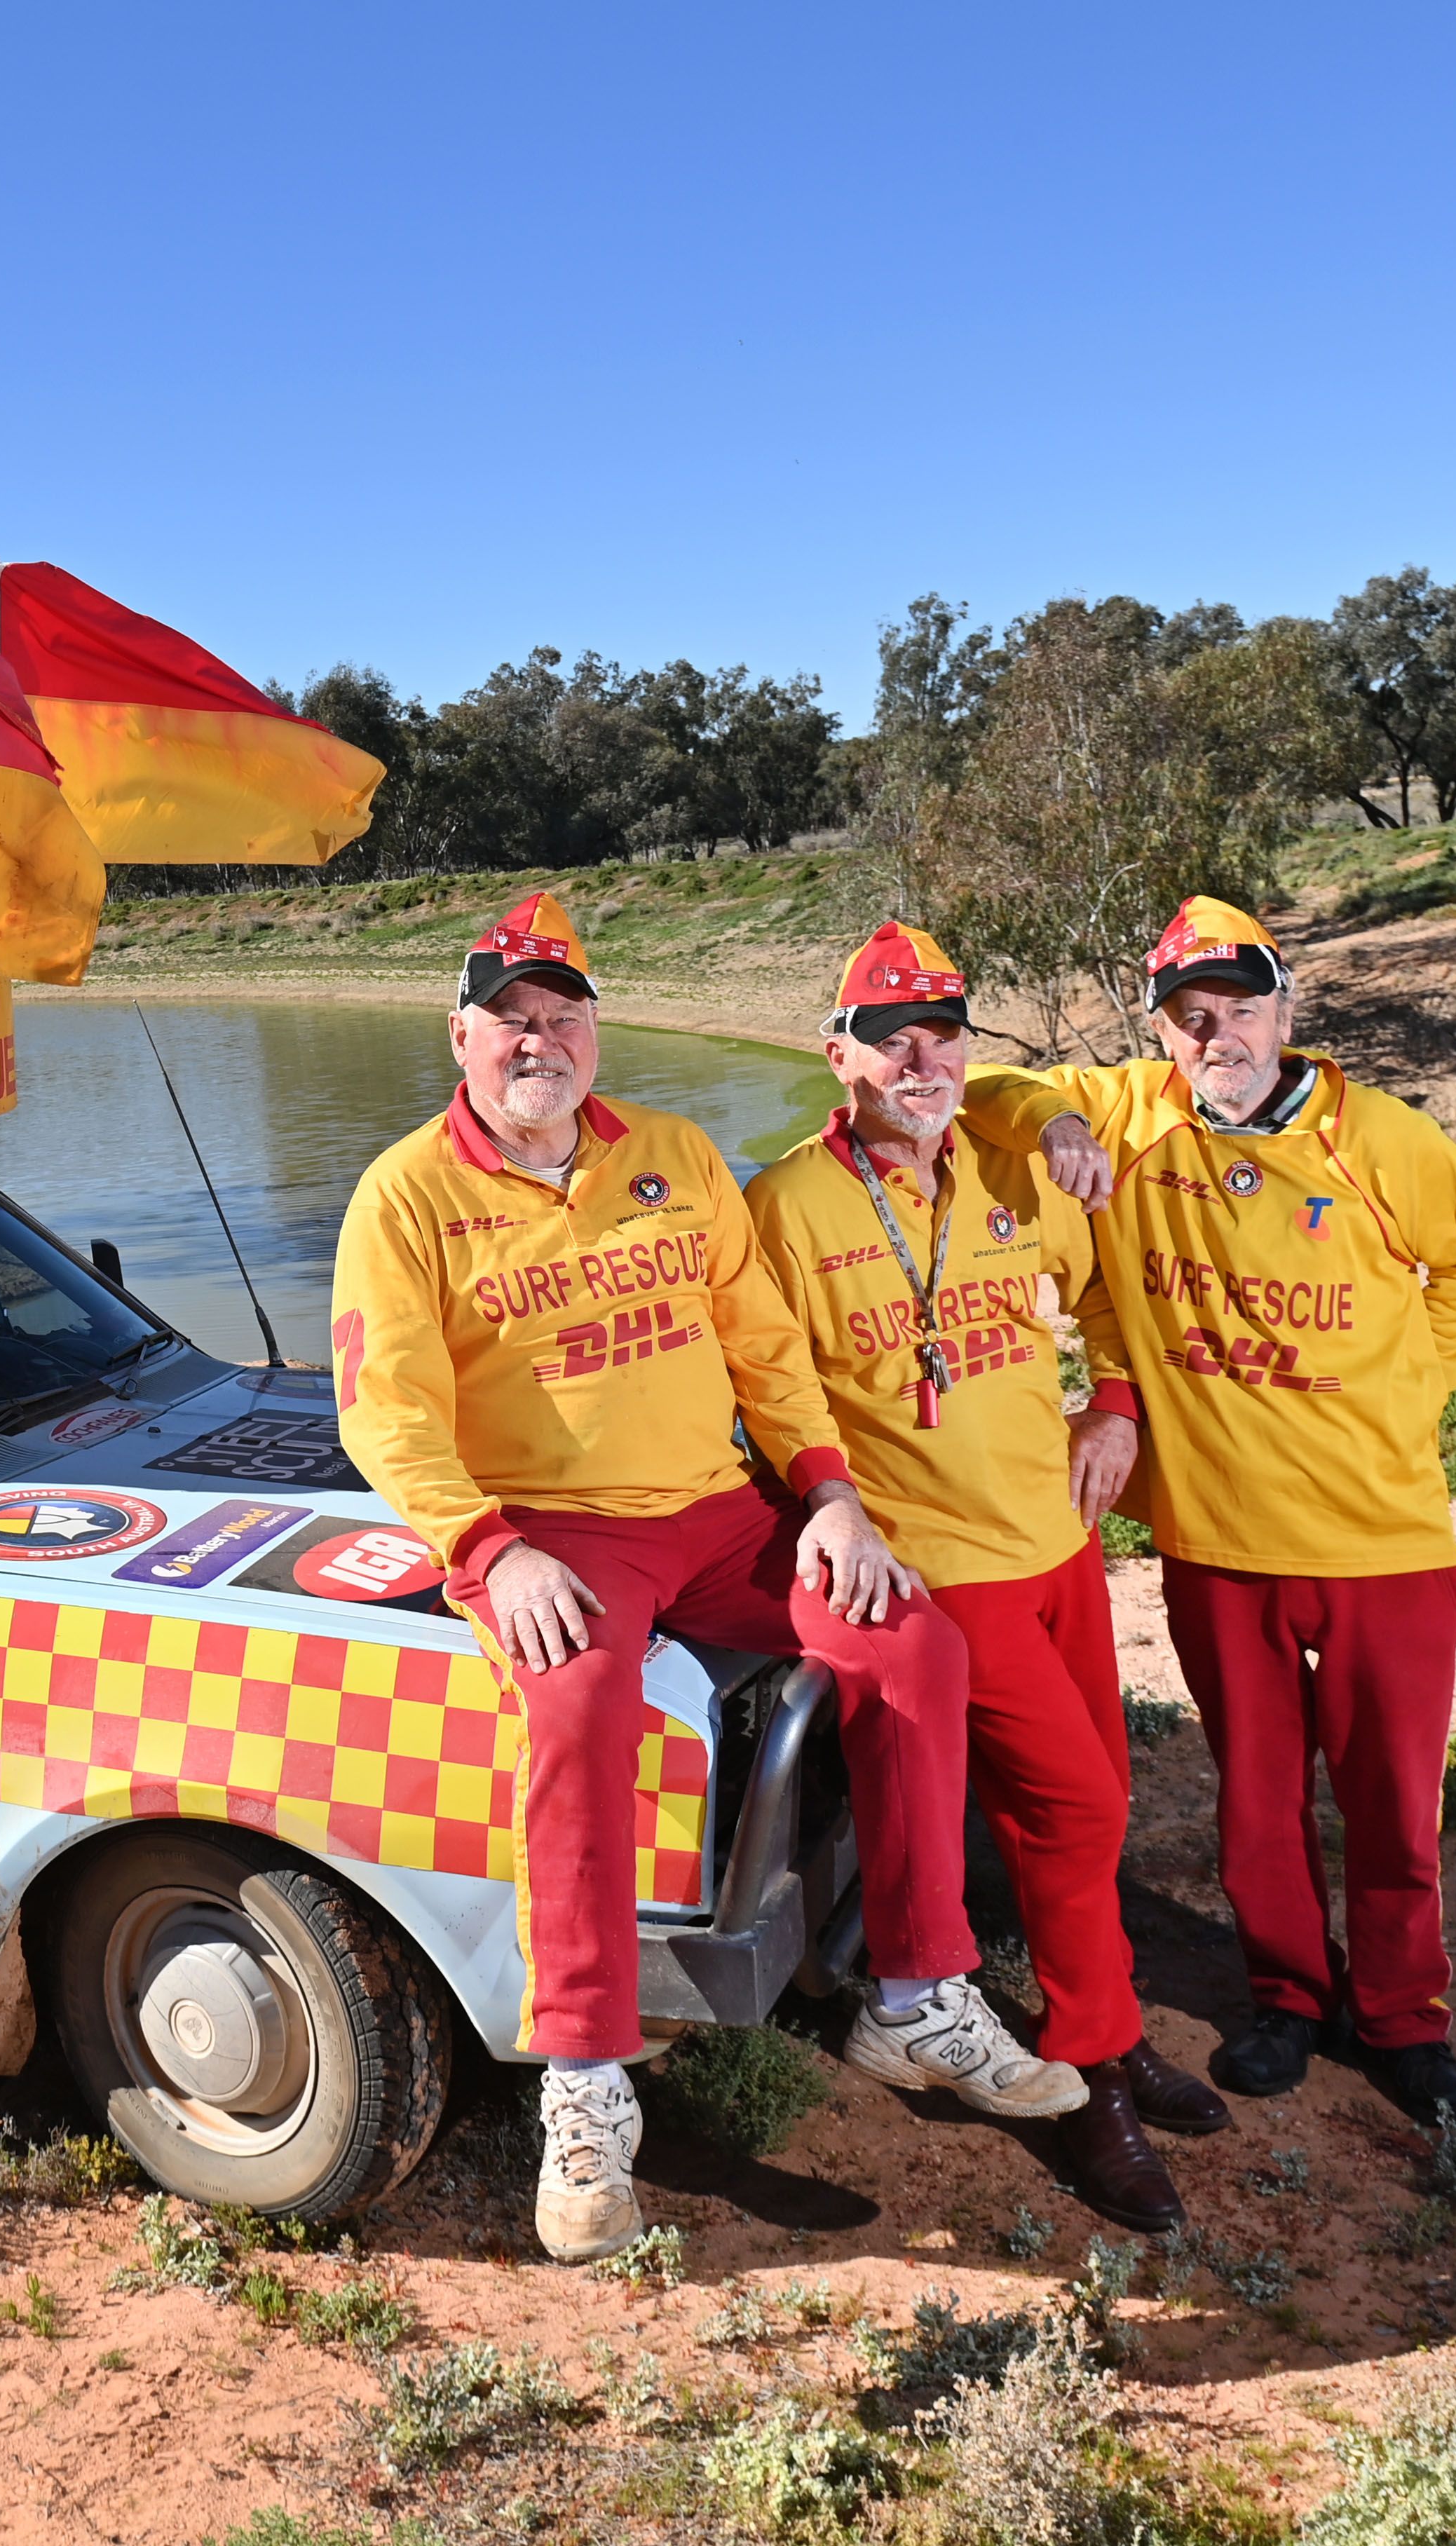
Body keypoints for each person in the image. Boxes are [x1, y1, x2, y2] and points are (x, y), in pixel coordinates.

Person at [332, 892, 1086, 2267]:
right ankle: (585, 2084)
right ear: (461, 1040)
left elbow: (765, 1352)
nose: (538, 1042)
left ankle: (919, 1990)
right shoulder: (406, 1195)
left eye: (561, 1017)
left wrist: (833, 1501)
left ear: (594, 1032)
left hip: (720, 1513)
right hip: (562, 1533)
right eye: (510, 1023)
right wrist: (491, 1548)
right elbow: (386, 1409)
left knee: (907, 1639)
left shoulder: (676, 1155)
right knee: (573, 1710)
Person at [969, 897, 1456, 2125]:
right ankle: (1285, 2000)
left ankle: (1402, 2020)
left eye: (1239, 1006)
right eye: (1188, 1014)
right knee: (1258, 1795)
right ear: (1159, 1028)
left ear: (1286, 1009)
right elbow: (984, 1091)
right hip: (1219, 1545)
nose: (1215, 1033)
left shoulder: (1379, 1138)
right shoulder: (1132, 1113)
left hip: (1383, 1541)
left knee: (1391, 1798)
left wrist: (1409, 1383)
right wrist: (1062, 1116)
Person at [740, 924, 1230, 2231]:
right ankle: (1089, 2088)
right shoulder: (788, 1204)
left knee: (1098, 1800)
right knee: (1072, 1810)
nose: (921, 1056)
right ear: (834, 1054)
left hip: (1061, 1540)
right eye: (889, 1034)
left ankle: (1108, 2036)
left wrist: (1115, 1403)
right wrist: (827, 1507)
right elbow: (763, 1384)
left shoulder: (1020, 1163)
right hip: (939, 1566)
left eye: (945, 1030)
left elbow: (1110, 1294)